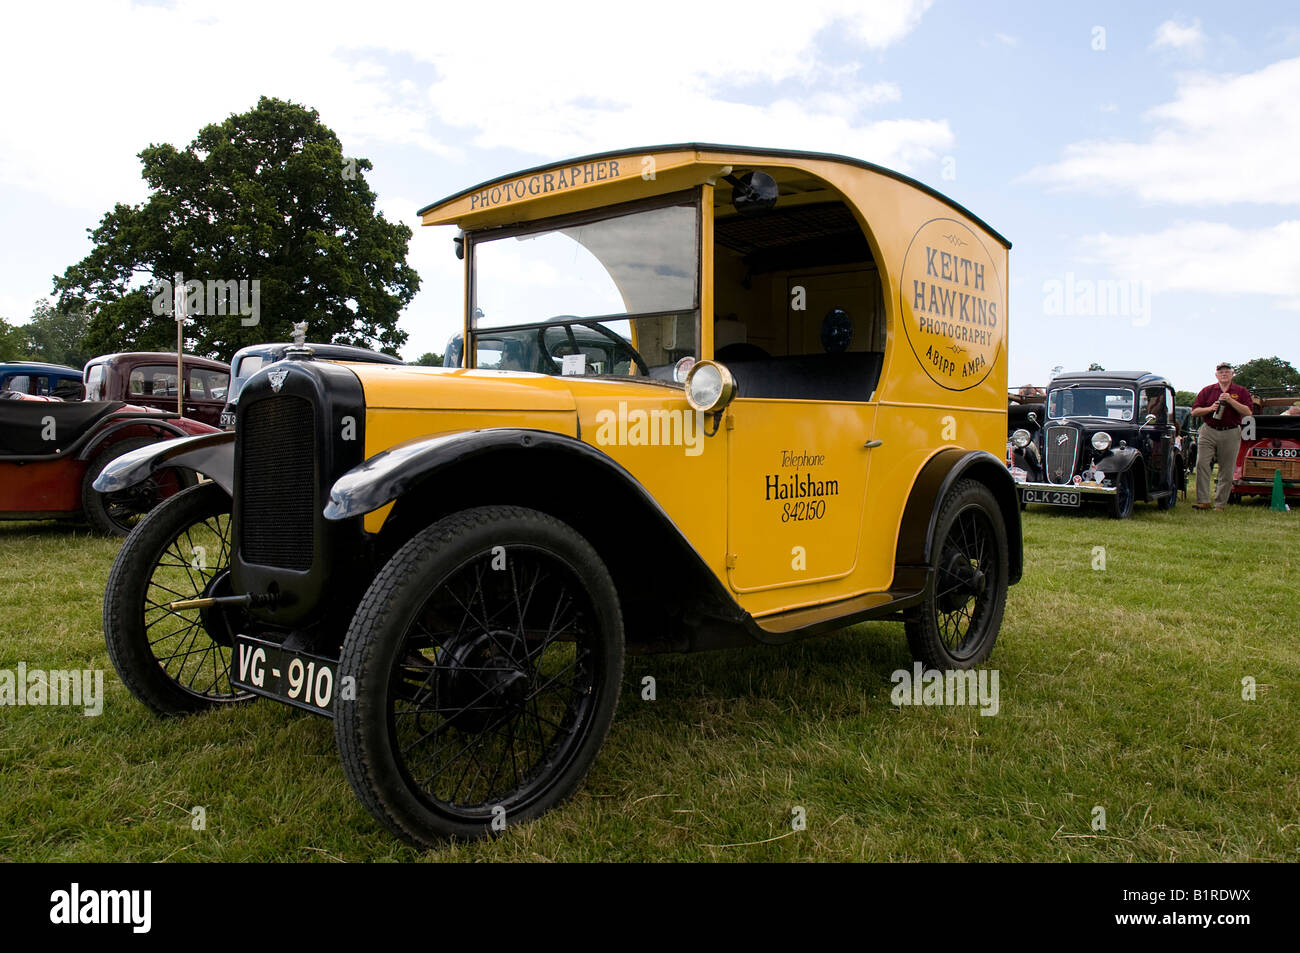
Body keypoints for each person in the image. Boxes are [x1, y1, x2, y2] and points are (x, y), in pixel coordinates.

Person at [1189, 362, 1252, 509]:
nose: (1224, 374)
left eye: (1227, 371)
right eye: (1221, 372)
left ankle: (1220, 504)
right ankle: (1203, 500)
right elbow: (1194, 411)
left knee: (1227, 469)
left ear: (1232, 374)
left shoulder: (1240, 391)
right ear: (1216, 375)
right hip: (1208, 429)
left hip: (1231, 431)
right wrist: (1211, 408)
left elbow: (1248, 412)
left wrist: (1230, 400)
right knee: (1202, 464)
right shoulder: (1208, 391)